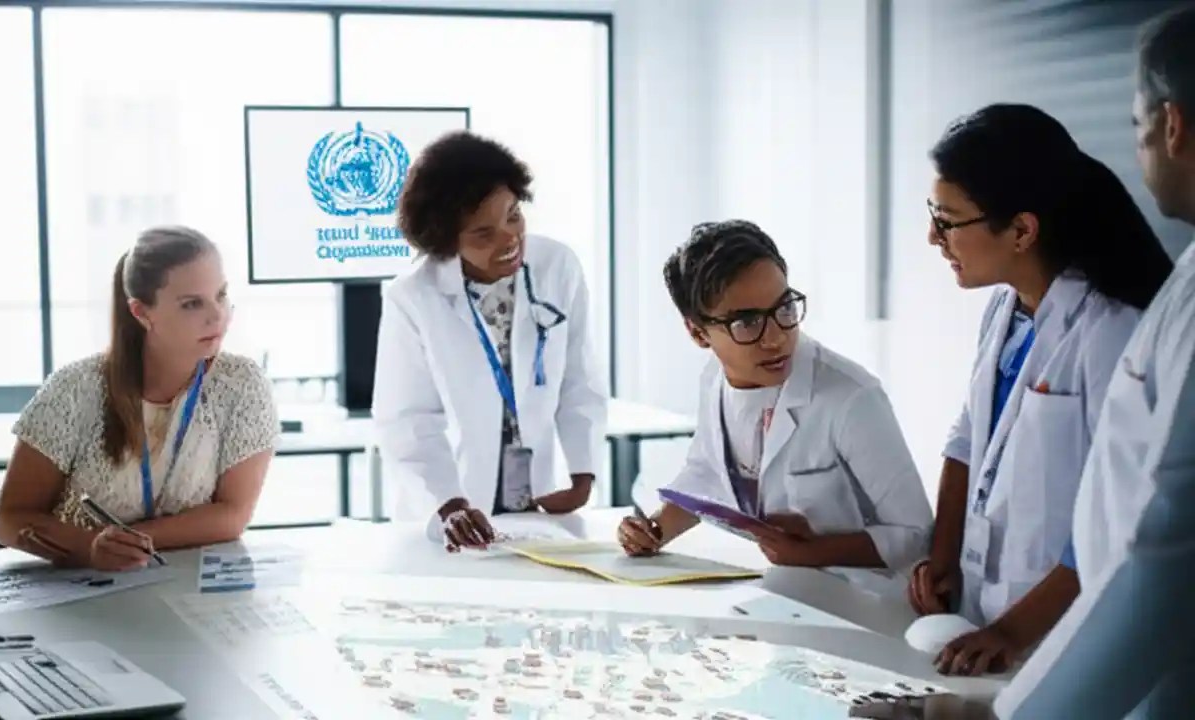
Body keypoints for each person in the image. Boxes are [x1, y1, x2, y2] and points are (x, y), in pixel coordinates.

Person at [907, 104, 1174, 678]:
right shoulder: (1005, 309)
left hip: (1057, 627)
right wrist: (945, 553)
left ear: (1023, 230)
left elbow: (1124, 513)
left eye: (948, 220)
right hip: (986, 615)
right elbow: (965, 439)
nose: (933, 236)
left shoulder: (1112, 330)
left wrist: (1012, 630)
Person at [993, 6, 1195, 718]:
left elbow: (1162, 554)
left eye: (1137, 128)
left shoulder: (1139, 313)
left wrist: (1011, 713)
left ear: (1172, 126)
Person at [616, 220, 932, 571]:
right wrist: (655, 530)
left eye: (785, 308)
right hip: (788, 587)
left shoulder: (850, 397)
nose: (776, 338)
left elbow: (916, 535)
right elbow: (708, 471)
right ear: (698, 332)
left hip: (867, 599)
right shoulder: (714, 380)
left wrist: (814, 552)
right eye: (747, 323)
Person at [0, 226, 279, 571]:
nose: (217, 315)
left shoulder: (242, 384)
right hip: (84, 592)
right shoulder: (74, 388)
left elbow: (231, 516)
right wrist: (90, 547)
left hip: (189, 589)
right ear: (142, 313)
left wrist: (133, 540)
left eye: (221, 294)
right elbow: (9, 519)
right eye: (192, 304)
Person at [372, 131, 607, 549]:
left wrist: (582, 471)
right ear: (447, 240)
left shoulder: (558, 266)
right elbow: (408, 418)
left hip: (541, 499)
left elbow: (579, 378)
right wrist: (448, 504)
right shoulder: (412, 296)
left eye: (514, 215)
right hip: (455, 505)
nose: (509, 238)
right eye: (483, 233)